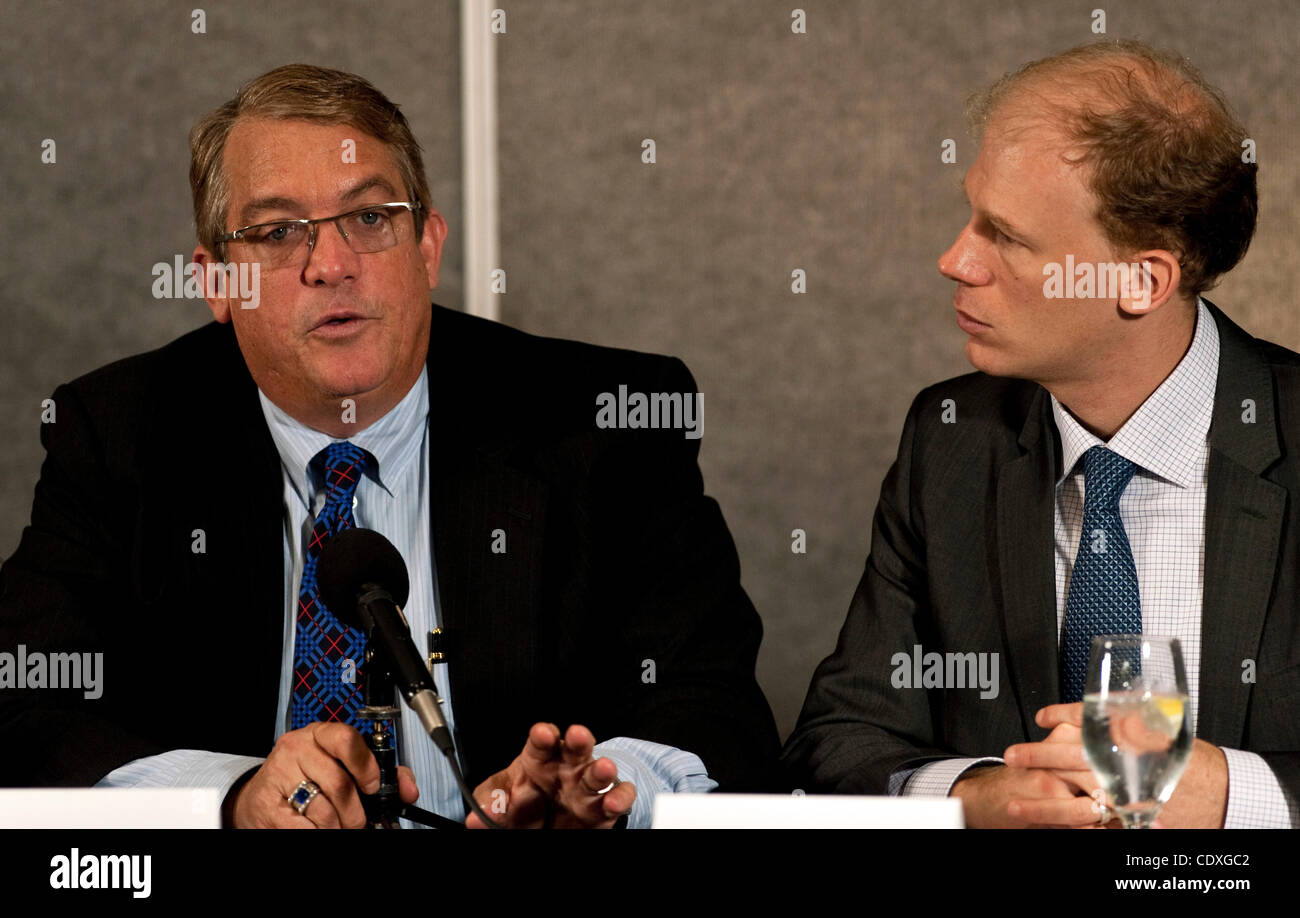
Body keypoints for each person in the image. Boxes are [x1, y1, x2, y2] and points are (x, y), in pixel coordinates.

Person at [0, 64, 779, 828]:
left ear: (428, 245)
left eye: (369, 218)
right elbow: (27, 705)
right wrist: (233, 800)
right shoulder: (122, 432)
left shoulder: (604, 426)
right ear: (217, 285)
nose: (331, 265)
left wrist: (607, 790)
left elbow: (713, 704)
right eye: (276, 232)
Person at [782, 40, 1299, 828]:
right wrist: (971, 798)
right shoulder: (951, 440)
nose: (955, 260)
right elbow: (838, 743)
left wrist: (1234, 797)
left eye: (1007, 238)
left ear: (1141, 281)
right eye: (970, 217)